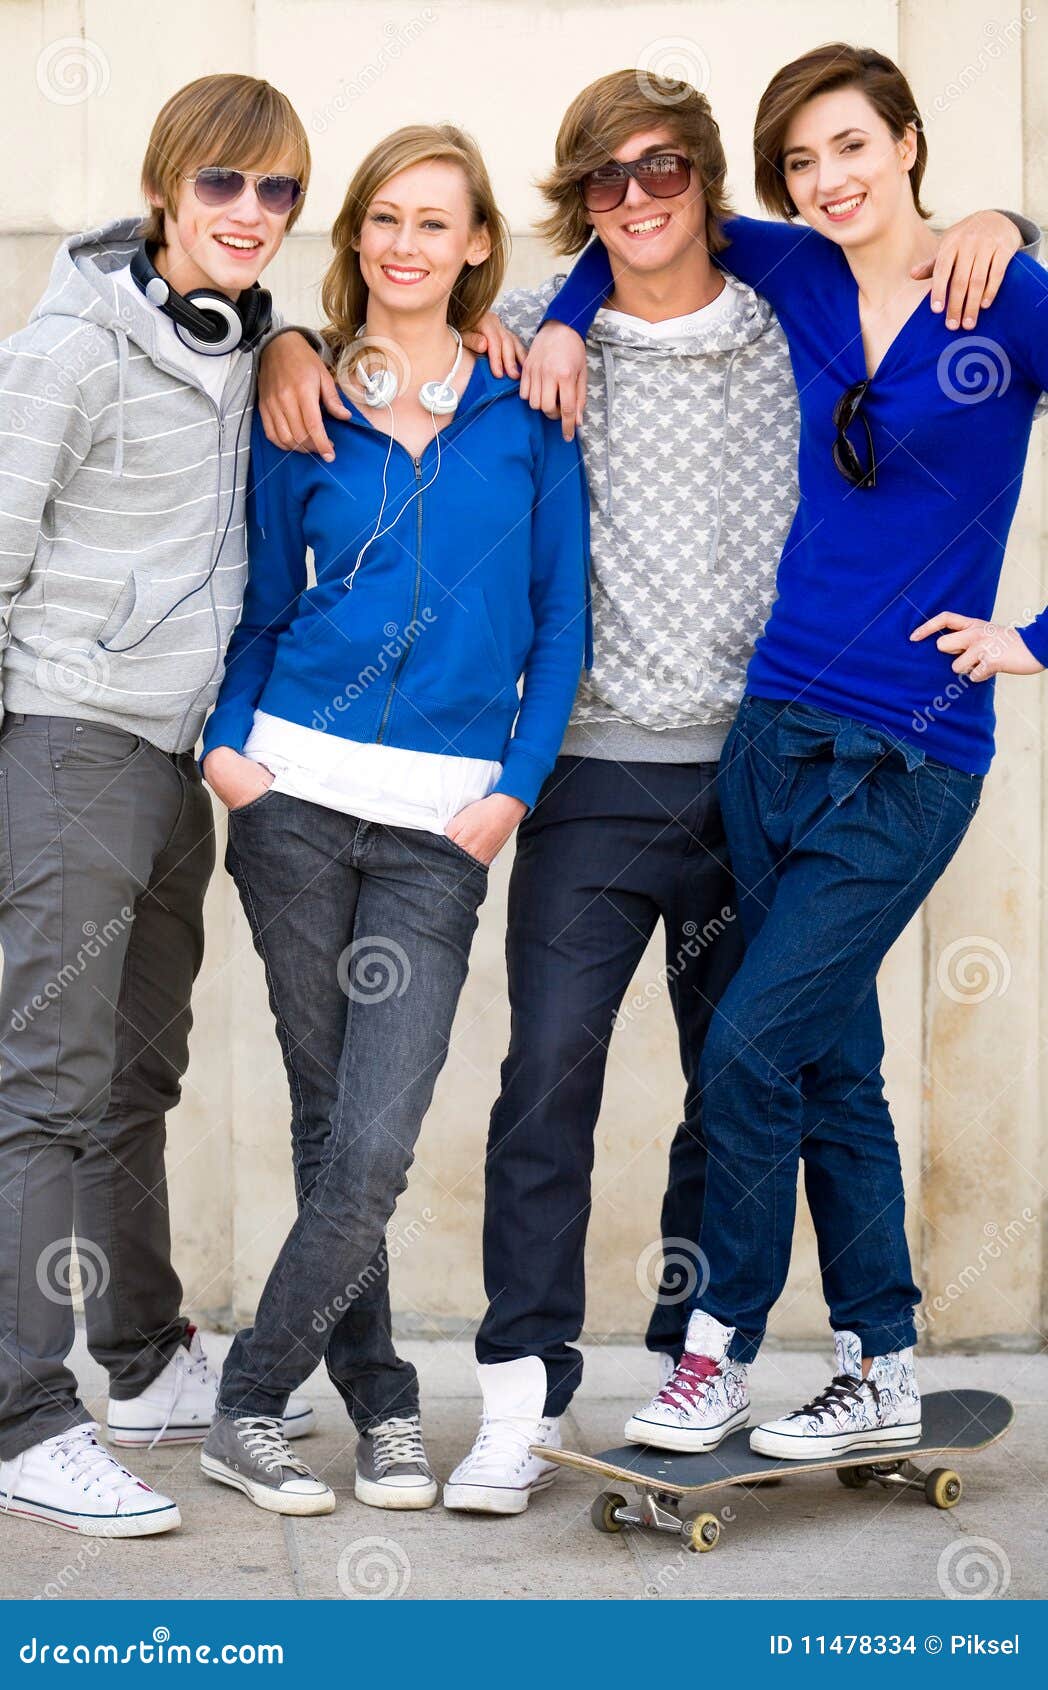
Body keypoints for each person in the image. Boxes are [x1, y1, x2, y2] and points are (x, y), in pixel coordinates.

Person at [257, 69, 1035, 1509]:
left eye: (665, 169)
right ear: (573, 204)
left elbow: (911, 250)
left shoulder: (786, 296)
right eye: (604, 181)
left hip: (777, 760)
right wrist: (286, 343)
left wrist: (1003, 214)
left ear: (711, 181)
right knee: (544, 1087)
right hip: (606, 778)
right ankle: (520, 1393)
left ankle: (707, 1357)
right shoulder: (543, 340)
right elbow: (401, 315)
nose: (637, 199)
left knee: (756, 1071)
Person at [534, 43, 1048, 1458]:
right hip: (774, 733)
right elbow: (641, 224)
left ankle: (714, 1356)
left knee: (749, 1052)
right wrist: (572, 317)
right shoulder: (802, 272)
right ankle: (882, 1360)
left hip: (912, 749)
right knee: (828, 1065)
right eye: (803, 161)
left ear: (909, 143)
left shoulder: (1004, 295)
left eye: (851, 148)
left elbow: (994, 248)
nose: (827, 180)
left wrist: (1035, 636)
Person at [196, 123, 589, 1517]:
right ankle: (378, 1405)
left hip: (440, 825)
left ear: (478, 244)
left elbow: (560, 619)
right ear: (356, 237)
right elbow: (258, 595)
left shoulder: (524, 405)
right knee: (326, 1119)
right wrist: (228, 749)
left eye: (438, 223)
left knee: (372, 1135)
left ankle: (249, 1396)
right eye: (386, 220)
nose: (407, 244)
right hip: (291, 797)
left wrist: (513, 789)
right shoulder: (297, 392)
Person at [0, 75, 320, 1537]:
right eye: (224, 189)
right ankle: (21, 1411)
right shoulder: (71, 343)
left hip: (175, 754)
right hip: (70, 741)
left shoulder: (246, 341)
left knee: (135, 1078)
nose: (251, 216)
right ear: (164, 190)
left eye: (278, 194)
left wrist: (296, 334)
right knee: (47, 1090)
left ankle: (137, 1361)